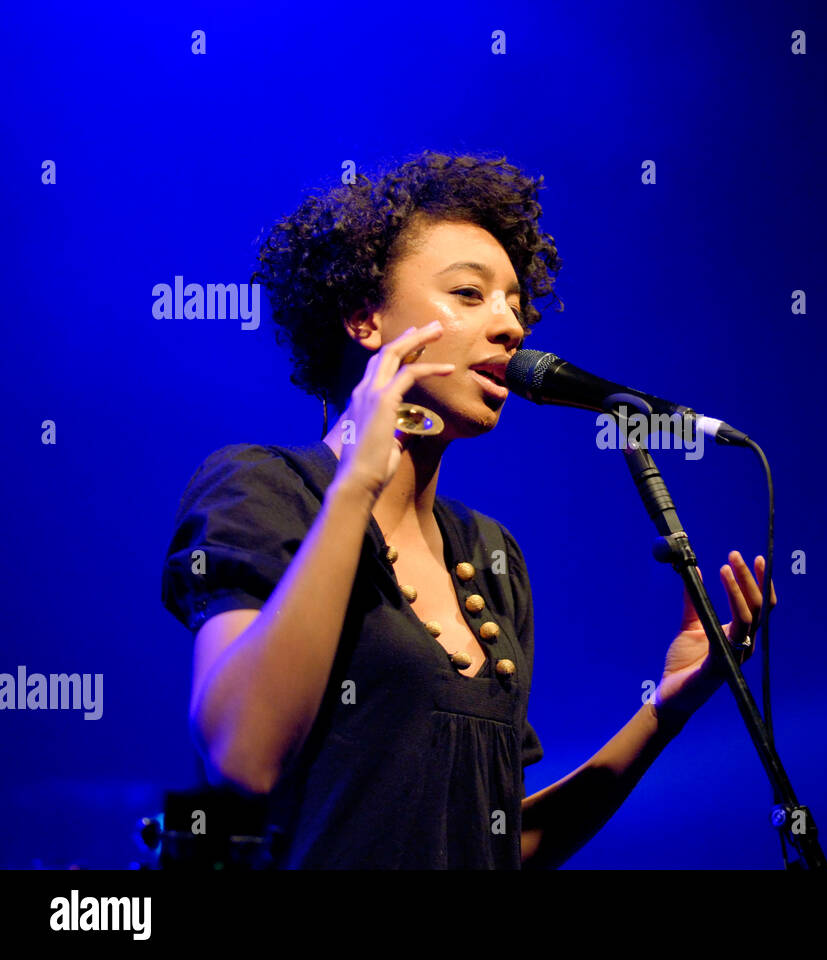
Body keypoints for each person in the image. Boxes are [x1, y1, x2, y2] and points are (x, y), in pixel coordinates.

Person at [161, 151, 774, 869]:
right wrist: (358, 481)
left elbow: (506, 846)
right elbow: (243, 754)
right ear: (365, 318)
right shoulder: (266, 489)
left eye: (516, 302)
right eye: (469, 293)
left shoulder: (490, 555)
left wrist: (665, 711)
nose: (510, 325)